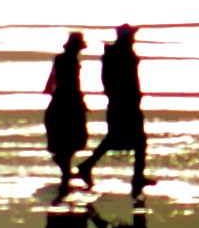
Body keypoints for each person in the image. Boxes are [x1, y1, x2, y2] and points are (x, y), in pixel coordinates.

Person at [42, 29, 92, 201]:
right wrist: (81, 102)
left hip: (59, 102)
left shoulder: (60, 59)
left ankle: (66, 174)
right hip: (68, 103)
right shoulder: (71, 62)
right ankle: (66, 174)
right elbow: (73, 84)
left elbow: (50, 84)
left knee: (64, 142)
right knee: (70, 140)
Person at [100, 23, 147, 195]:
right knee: (137, 141)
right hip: (123, 102)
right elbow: (112, 79)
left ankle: (138, 176)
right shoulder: (120, 53)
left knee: (119, 139)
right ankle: (138, 178)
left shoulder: (116, 52)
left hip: (124, 100)